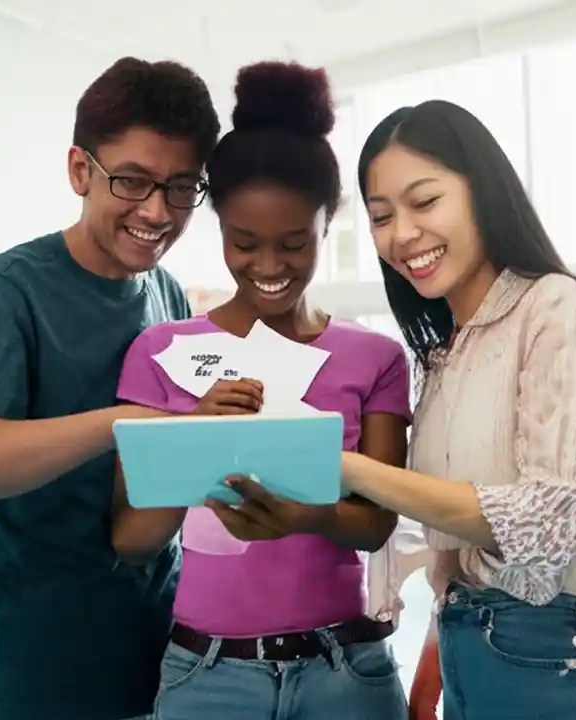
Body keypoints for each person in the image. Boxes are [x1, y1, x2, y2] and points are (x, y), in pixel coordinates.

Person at [339, 100, 576, 720]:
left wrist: (356, 471)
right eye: (381, 217)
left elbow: (544, 522)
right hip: (474, 663)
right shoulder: (443, 355)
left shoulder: (558, 310)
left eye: (425, 201)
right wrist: (437, 663)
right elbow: (458, 546)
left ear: (482, 192)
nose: (402, 233)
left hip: (565, 676)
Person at [109, 61, 414, 720]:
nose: (269, 268)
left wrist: (306, 515)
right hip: (207, 674)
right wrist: (194, 444)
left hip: (344, 674)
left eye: (295, 244)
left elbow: (375, 524)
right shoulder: (162, 354)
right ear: (217, 226)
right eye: (244, 243)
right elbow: (131, 539)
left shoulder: (376, 358)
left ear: (328, 227)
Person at [0, 57, 221, 720]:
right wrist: (121, 421)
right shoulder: (9, 289)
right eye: (133, 181)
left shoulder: (168, 293)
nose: (157, 210)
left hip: (154, 657)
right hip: (34, 676)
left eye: (182, 188)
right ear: (79, 171)